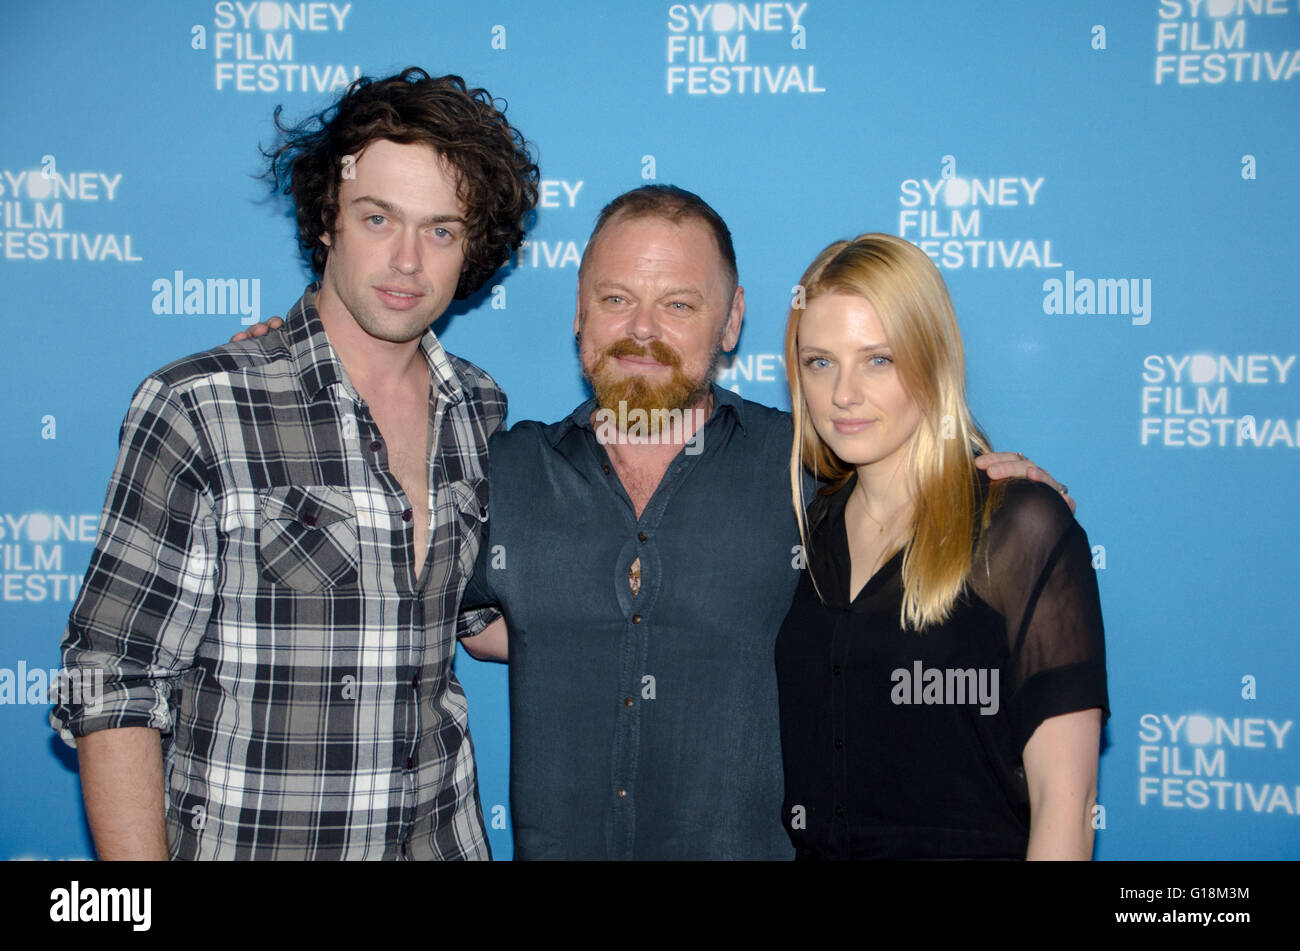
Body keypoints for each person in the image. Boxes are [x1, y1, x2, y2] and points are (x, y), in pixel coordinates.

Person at [241, 186, 1067, 860]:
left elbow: (920, 509)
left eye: (678, 303)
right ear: (579, 309)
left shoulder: (811, 469)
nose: (642, 329)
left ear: (734, 318)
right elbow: (446, 600)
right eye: (616, 298)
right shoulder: (503, 468)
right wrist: (310, 349)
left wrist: (992, 482)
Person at [51, 68, 539, 860]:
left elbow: (482, 620)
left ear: (472, 250)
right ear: (327, 220)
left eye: (442, 230)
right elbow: (113, 679)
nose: (407, 260)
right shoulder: (202, 405)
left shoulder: (479, 410)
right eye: (378, 218)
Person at [776, 233, 1107, 860]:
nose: (844, 393)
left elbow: (1068, 803)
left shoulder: (1021, 526)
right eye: (820, 361)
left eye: (879, 359)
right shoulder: (807, 531)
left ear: (932, 359)